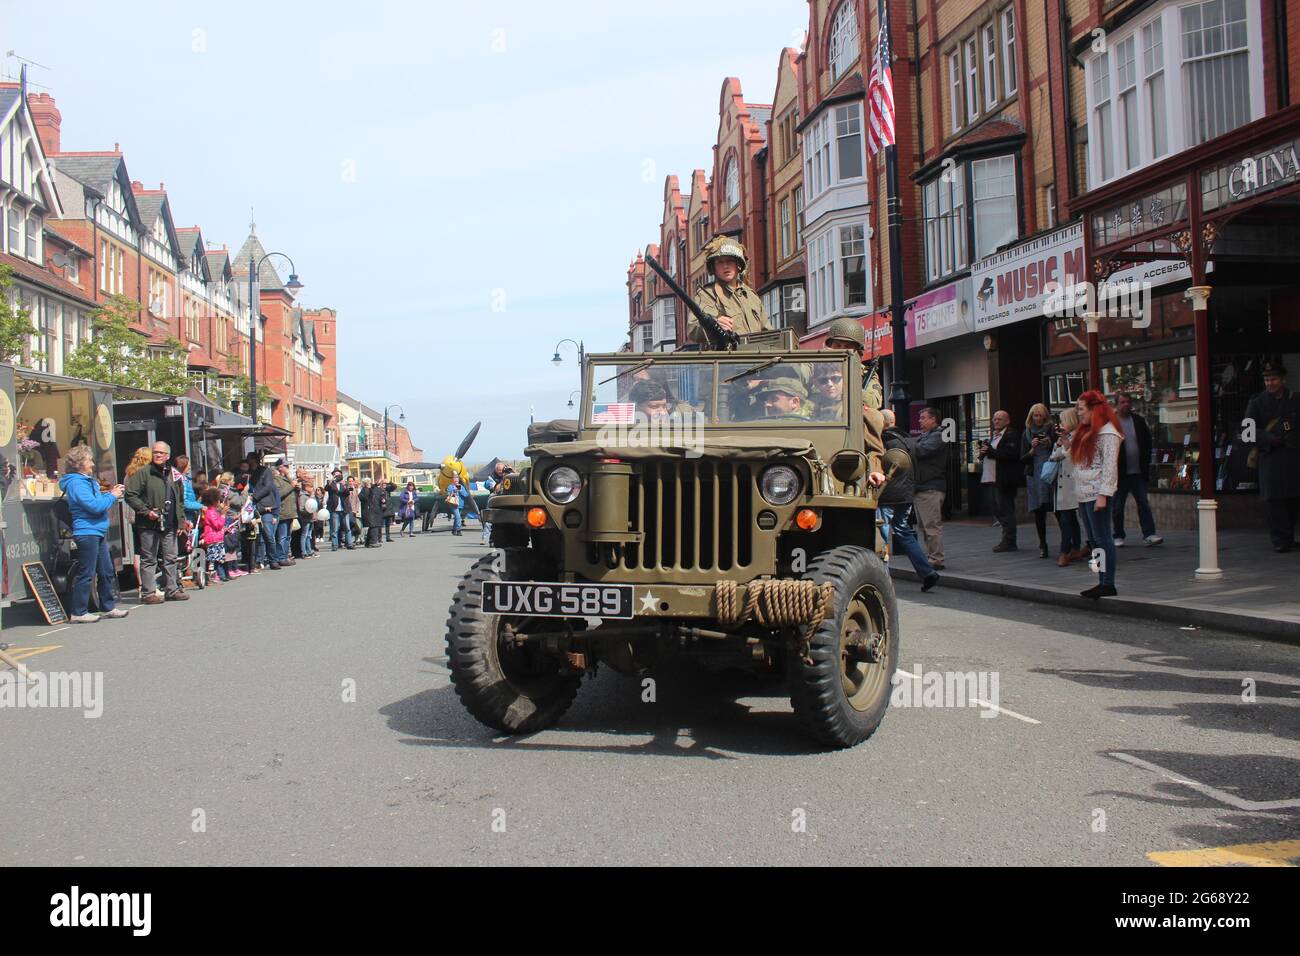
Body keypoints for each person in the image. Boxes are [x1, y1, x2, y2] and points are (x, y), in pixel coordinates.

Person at [58, 445, 129, 623]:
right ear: (79, 463)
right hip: (86, 531)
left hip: (96, 530)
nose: (92, 464)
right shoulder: (75, 482)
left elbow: (96, 501)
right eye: (89, 460)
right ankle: (78, 611)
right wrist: (112, 495)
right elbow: (94, 505)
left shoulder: (86, 481)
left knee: (106, 570)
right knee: (87, 572)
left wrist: (109, 494)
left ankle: (108, 606)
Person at [878, 409, 940, 592]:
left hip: (887, 495)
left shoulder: (883, 440)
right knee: (903, 530)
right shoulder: (909, 440)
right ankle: (927, 572)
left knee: (881, 536)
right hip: (906, 494)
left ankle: (882, 581)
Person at [1242, 360, 1300, 552]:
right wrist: (1268, 439)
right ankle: (1280, 540)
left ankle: (1289, 537)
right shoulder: (1257, 402)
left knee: (1292, 500)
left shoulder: (1294, 400)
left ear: (1283, 380)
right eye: (1267, 380)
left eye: (1273, 379)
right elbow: (1248, 432)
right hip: (1271, 458)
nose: (1270, 383)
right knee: (1275, 502)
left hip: (1292, 457)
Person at [823, 317, 887, 488]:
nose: (841, 351)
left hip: (850, 421)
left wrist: (847, 380)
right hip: (819, 415)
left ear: (858, 351)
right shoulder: (817, 367)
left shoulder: (866, 374)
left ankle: (874, 469)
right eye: (837, 346)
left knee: (873, 416)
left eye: (847, 347)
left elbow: (873, 401)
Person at [1072, 390, 1123, 599]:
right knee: (1094, 539)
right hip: (1084, 493)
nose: (1078, 413)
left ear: (1094, 409)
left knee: (1102, 538)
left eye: (1081, 409)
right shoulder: (1086, 431)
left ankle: (1107, 582)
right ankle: (1101, 579)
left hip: (1096, 492)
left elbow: (1110, 467)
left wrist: (1104, 494)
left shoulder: (1108, 433)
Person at [124, 441, 189, 603]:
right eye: (155, 452)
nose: (158, 455)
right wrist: (146, 511)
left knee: (171, 557)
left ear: (168, 456)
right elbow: (130, 494)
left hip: (169, 523)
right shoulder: (144, 473)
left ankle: (172, 590)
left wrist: (180, 522)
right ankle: (148, 593)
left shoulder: (174, 475)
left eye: (161, 453)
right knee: (149, 558)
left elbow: (179, 500)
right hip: (148, 523)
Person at [687, 236, 771, 345]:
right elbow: (693, 329)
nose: (725, 266)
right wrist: (714, 324)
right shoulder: (707, 295)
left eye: (730, 261)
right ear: (713, 267)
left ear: (738, 265)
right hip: (726, 360)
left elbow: (768, 333)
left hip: (757, 358)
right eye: (720, 262)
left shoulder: (751, 297)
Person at [1111, 392, 1163, 548]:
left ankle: (1149, 534)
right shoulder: (1112, 423)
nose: (1126, 404)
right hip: (1120, 473)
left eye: (1128, 402)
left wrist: (1146, 464)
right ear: (1117, 405)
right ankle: (1118, 535)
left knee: (1143, 503)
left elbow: (1146, 443)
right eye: (1122, 402)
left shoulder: (1138, 421)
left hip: (1138, 471)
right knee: (1118, 506)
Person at [978, 410, 1022, 552]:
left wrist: (990, 451)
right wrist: (984, 451)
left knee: (1005, 509)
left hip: (1003, 479)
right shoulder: (995, 436)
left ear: (1007, 421)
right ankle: (1006, 537)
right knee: (996, 508)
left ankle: (1009, 540)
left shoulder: (1011, 435)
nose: (996, 421)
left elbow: (1010, 454)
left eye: (999, 419)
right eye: (995, 419)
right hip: (991, 478)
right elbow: (992, 452)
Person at [1048, 408, 1087, 567]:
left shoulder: (1079, 436)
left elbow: (1071, 454)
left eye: (1063, 421)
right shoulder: (1066, 437)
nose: (1061, 425)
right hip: (1064, 485)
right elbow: (1053, 457)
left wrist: (1064, 443)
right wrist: (1058, 444)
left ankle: (1065, 551)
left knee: (1067, 519)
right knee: (1069, 518)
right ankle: (1075, 548)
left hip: (1075, 483)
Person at [912, 406, 948, 570]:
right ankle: (931, 556)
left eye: (923, 418)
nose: (920, 421)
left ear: (933, 419)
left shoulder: (938, 435)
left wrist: (906, 443)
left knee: (931, 525)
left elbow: (921, 451)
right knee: (924, 526)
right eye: (920, 418)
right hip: (922, 488)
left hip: (931, 487)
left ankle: (936, 558)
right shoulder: (925, 436)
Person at [1021, 403, 1057, 559]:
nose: (1038, 419)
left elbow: (1060, 449)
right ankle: (1043, 544)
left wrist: (1049, 444)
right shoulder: (1027, 433)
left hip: (1050, 472)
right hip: (1034, 474)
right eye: (1035, 415)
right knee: (1038, 511)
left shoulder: (1052, 430)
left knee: (1057, 508)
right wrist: (1032, 449)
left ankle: (1068, 544)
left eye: (1041, 415)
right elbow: (1022, 458)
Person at [247, 453, 281, 570]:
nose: (248, 462)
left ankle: (273, 560)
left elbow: (268, 487)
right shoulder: (247, 473)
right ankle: (257, 560)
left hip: (265, 506)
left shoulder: (265, 471)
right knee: (255, 537)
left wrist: (254, 497)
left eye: (250, 460)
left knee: (268, 535)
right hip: (251, 507)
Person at [199, 486, 231, 582]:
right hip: (213, 539)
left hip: (215, 537)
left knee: (216, 558)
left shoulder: (212, 511)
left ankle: (215, 576)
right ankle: (211, 578)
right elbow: (218, 525)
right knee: (213, 559)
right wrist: (223, 514)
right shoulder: (211, 512)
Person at [273, 460, 297, 566]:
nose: (288, 468)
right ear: (280, 467)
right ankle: (281, 557)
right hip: (283, 511)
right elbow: (279, 494)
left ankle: (286, 555)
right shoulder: (276, 480)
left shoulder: (287, 479)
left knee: (288, 536)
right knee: (282, 536)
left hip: (290, 511)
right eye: (285, 466)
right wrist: (291, 485)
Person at [325, 469, 353, 550]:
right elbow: (326, 488)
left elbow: (347, 493)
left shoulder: (344, 483)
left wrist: (344, 485)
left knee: (347, 527)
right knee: (335, 528)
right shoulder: (331, 484)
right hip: (335, 509)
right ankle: (335, 545)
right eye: (335, 475)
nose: (337, 476)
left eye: (339, 475)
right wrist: (331, 481)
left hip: (344, 508)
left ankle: (349, 544)